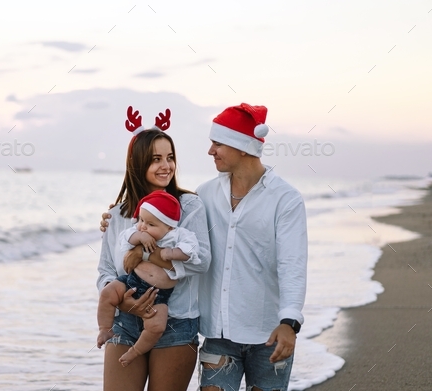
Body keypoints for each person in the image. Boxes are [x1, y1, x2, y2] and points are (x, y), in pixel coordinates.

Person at [96, 106, 211, 391]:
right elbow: (105, 271)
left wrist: (147, 254)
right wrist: (122, 301)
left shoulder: (189, 206)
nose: (166, 166)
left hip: (176, 322)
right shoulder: (118, 215)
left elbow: (202, 261)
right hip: (124, 322)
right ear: (137, 163)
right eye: (156, 159)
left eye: (170, 158)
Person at [196, 103, 308, 391]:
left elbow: (292, 264)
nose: (211, 151)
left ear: (243, 147)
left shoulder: (286, 199)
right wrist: (121, 220)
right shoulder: (204, 194)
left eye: (217, 143)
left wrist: (290, 322)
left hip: (269, 333)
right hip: (218, 332)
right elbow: (167, 227)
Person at [97, 190, 200, 367]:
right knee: (108, 293)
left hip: (159, 295)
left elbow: (193, 253)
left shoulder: (177, 235)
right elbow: (126, 238)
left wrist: (172, 253)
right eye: (142, 221)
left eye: (150, 224)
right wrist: (141, 236)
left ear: (169, 226)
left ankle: (135, 351)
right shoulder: (137, 229)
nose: (143, 226)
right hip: (131, 283)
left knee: (156, 327)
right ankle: (104, 329)